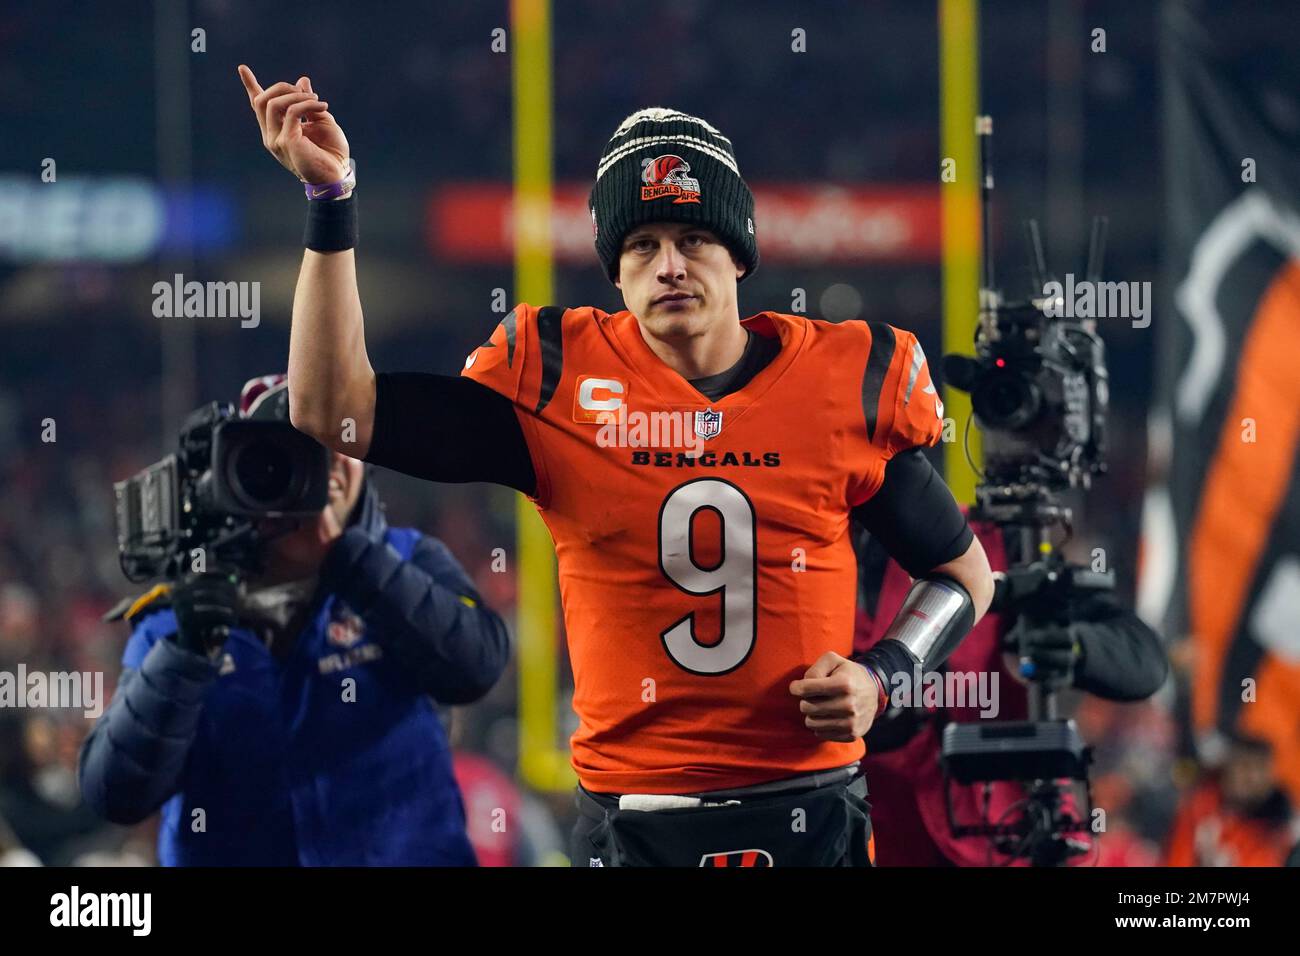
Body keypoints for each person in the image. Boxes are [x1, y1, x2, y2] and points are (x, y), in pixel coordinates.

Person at [236, 65, 994, 866]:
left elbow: (964, 574)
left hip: (809, 814)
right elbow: (330, 410)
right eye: (641, 244)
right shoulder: (560, 381)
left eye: (693, 237)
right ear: (616, 269)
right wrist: (331, 202)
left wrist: (885, 672)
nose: (669, 264)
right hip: (634, 826)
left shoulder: (843, 380)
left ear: (738, 255)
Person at [78, 377, 510, 865]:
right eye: (291, 450)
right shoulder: (185, 611)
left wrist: (354, 561)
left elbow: (477, 667)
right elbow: (114, 792)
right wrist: (186, 654)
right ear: (239, 471)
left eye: (338, 441)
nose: (323, 464)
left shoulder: (409, 560)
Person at [854, 514, 1168, 865]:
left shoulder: (995, 539)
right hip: (878, 839)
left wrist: (1069, 645)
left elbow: (1145, 660)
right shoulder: (809, 556)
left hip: (1013, 838)